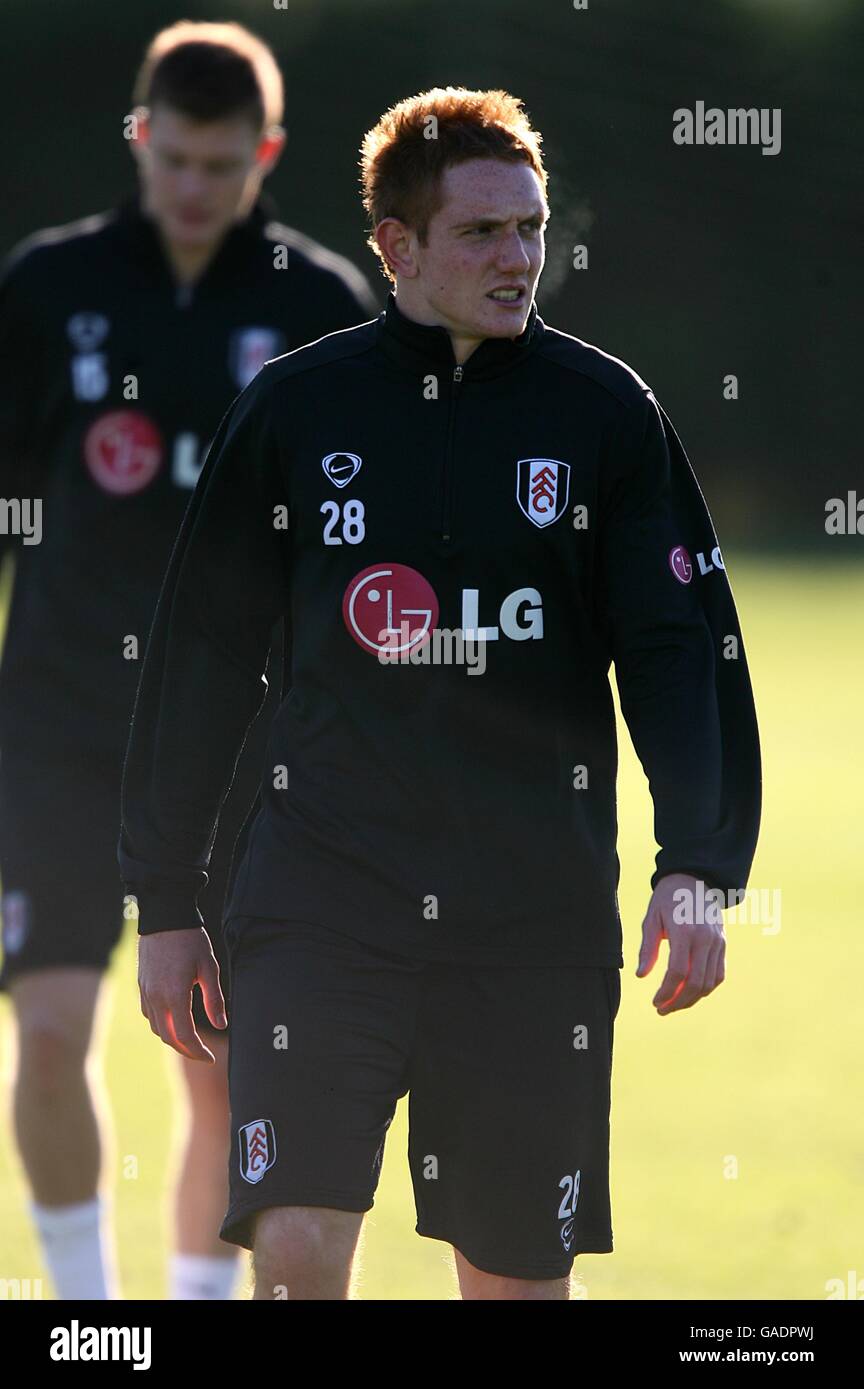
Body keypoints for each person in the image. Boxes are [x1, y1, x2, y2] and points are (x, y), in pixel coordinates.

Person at [118, 86, 761, 1301]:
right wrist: (165, 894)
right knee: (298, 1251)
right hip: (321, 900)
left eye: (531, 226)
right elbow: (199, 658)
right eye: (482, 233)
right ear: (397, 248)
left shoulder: (605, 414)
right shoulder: (297, 411)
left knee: (513, 1283)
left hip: (531, 921)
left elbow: (681, 650)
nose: (519, 257)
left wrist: (699, 859)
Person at [0, 20, 377, 1302]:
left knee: (217, 1058)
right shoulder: (47, 289)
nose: (196, 187)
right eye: (174, 159)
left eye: (223, 163)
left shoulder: (318, 304)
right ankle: (84, 1317)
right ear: (139, 141)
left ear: (264, 151)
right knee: (48, 1037)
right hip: (55, 727)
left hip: (233, 744)